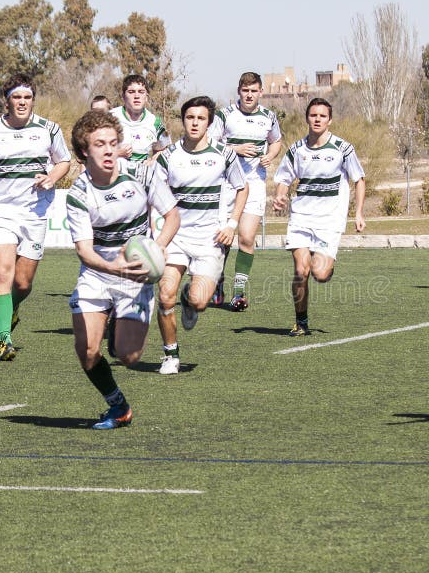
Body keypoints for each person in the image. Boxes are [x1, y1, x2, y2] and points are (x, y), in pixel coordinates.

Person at [67, 110, 180, 429]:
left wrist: (157, 248)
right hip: (99, 273)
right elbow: (84, 251)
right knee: (87, 351)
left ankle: (120, 323)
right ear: (84, 151)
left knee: (128, 356)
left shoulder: (142, 175)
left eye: (112, 143)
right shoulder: (79, 194)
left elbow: (172, 216)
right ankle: (118, 407)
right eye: (99, 144)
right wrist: (112, 267)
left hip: (137, 276)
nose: (108, 150)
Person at [0, 74, 72, 361]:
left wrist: (52, 177)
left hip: (34, 213)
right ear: (7, 101)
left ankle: (12, 307)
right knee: (3, 271)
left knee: (23, 284)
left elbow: (64, 161)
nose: (22, 102)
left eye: (27, 97)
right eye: (17, 97)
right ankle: (4, 340)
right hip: (1, 211)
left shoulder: (49, 129)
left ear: (33, 100)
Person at [154, 96, 248, 375]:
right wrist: (158, 239)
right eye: (190, 117)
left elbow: (242, 188)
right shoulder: (168, 157)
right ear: (183, 120)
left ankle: (189, 300)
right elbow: (154, 197)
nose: (195, 123)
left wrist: (231, 224)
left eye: (201, 118)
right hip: (176, 237)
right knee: (165, 294)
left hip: (210, 240)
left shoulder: (224, 154)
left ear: (209, 123)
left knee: (199, 301)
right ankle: (170, 354)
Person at [272, 97, 366, 337]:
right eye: (313, 115)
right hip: (301, 218)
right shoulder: (297, 150)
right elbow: (283, 178)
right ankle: (301, 322)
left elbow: (359, 180)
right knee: (300, 271)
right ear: (307, 118)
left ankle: (326, 265)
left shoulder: (342, 148)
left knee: (320, 274)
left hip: (329, 220)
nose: (317, 119)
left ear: (329, 120)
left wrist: (358, 212)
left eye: (322, 116)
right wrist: (280, 196)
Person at [208, 71, 283, 310]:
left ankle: (238, 293)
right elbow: (210, 143)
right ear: (239, 91)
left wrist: (270, 155)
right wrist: (236, 149)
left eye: (253, 91)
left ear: (261, 92)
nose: (249, 95)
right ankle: (217, 283)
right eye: (245, 91)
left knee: (247, 238)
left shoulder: (269, 116)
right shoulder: (225, 115)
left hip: (254, 183)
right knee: (222, 239)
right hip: (227, 184)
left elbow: (276, 141)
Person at [110, 74, 171, 189]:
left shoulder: (155, 122)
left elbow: (164, 150)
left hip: (142, 185)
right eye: (131, 92)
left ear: (146, 97)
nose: (137, 96)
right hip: (114, 183)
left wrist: (153, 160)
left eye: (141, 92)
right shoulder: (110, 117)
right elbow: (94, 150)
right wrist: (117, 153)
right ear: (123, 96)